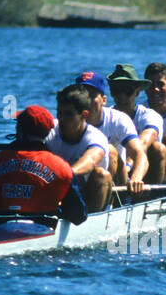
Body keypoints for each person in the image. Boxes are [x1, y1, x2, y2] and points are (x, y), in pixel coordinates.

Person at [0, 105, 87, 225]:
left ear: (19, 129)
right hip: (44, 230)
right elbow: (78, 216)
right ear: (47, 132)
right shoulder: (63, 169)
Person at [71, 70, 147, 194]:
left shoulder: (118, 119)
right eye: (82, 95)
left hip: (115, 184)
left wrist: (136, 177)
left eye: (92, 95)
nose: (87, 101)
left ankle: (113, 203)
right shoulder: (68, 120)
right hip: (80, 181)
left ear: (104, 100)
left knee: (109, 150)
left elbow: (139, 154)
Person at [45, 84, 115, 212]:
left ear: (84, 115)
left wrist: (64, 174)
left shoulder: (96, 137)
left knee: (102, 175)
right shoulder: (50, 130)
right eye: (59, 113)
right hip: (58, 192)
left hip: (89, 196)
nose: (62, 119)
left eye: (68, 114)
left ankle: (91, 219)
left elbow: (90, 161)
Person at [107, 63, 166, 184]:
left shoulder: (150, 116)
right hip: (116, 175)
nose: (122, 96)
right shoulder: (105, 116)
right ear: (111, 92)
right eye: (116, 91)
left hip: (142, 176)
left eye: (127, 91)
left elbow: (143, 143)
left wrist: (129, 167)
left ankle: (152, 196)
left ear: (137, 92)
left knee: (158, 148)